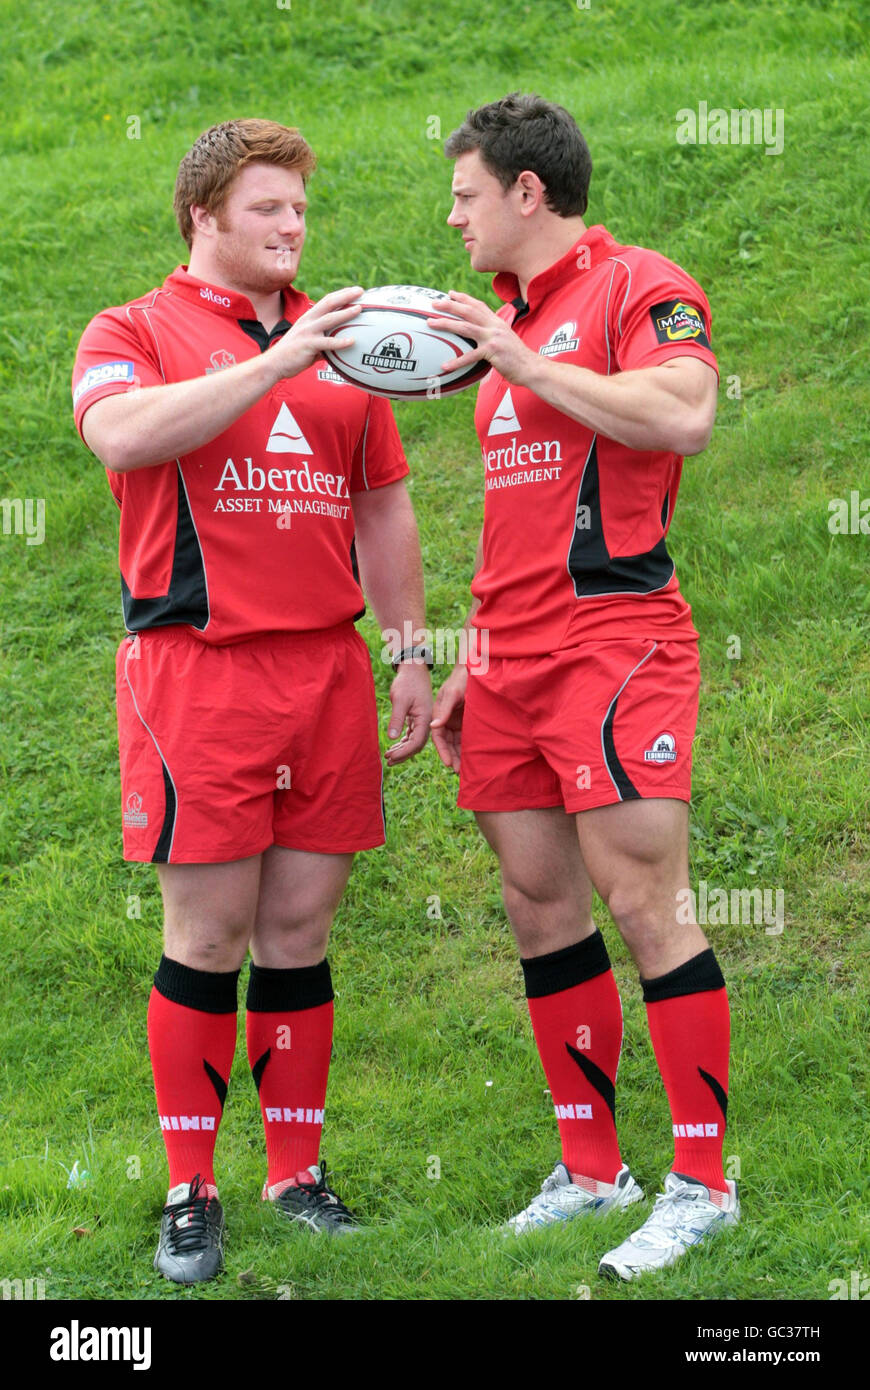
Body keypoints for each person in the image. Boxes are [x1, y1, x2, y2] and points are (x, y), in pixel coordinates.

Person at [71, 119, 433, 1285]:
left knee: (298, 934)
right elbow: (122, 435)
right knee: (210, 935)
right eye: (269, 209)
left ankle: (295, 1173)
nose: (292, 230)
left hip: (324, 671)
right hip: (199, 673)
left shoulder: (354, 344)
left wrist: (412, 652)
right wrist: (277, 360)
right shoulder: (132, 330)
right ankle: (190, 1189)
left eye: (300, 212)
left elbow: (382, 505)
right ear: (204, 215)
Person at [428, 93, 738, 1281]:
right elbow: (521, 509)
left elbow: (686, 414)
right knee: (539, 903)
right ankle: (592, 1167)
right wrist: (468, 653)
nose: (452, 216)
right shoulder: (518, 319)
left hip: (618, 641)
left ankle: (704, 1184)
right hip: (510, 657)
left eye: (465, 194)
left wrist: (516, 362)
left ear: (526, 191)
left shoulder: (637, 284)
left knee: (645, 901)